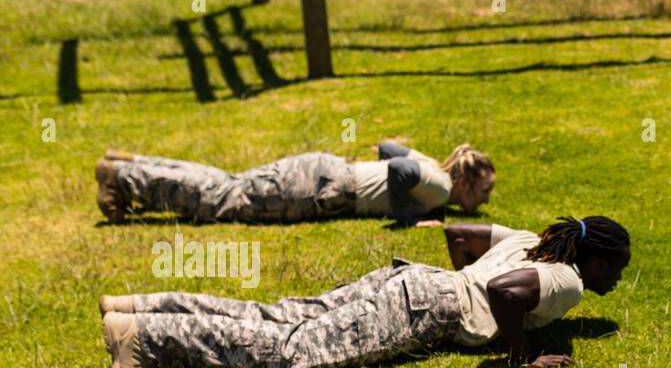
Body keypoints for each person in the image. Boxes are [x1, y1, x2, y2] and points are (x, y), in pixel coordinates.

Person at [97, 216, 631, 368]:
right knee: (289, 349)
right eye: (618, 265)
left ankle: (137, 308)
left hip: (412, 280)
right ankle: (145, 339)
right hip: (427, 306)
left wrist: (460, 281)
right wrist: (520, 351)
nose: (619, 277)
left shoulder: (530, 240)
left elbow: (461, 234)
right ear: (597, 258)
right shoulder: (568, 282)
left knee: (280, 315)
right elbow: (507, 293)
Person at [93, 141, 494, 226]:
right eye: (486, 189)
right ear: (468, 181)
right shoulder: (441, 188)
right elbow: (398, 173)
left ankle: (131, 167)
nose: (487, 198)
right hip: (321, 189)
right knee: (222, 199)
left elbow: (389, 150)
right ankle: (124, 180)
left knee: (227, 184)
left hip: (323, 171)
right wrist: (406, 217)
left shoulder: (432, 167)